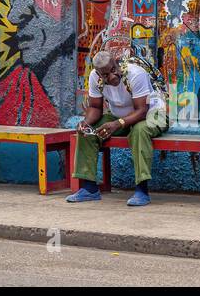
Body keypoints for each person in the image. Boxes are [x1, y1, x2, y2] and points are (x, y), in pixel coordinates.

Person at [66, 46, 169, 205]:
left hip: (152, 115)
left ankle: (142, 190)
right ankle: (89, 188)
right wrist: (85, 123)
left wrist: (117, 123)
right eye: (106, 74)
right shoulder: (95, 77)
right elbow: (95, 108)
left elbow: (142, 110)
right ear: (99, 74)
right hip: (120, 117)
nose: (113, 75)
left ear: (116, 62)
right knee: (87, 131)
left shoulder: (135, 74)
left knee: (139, 131)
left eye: (114, 69)